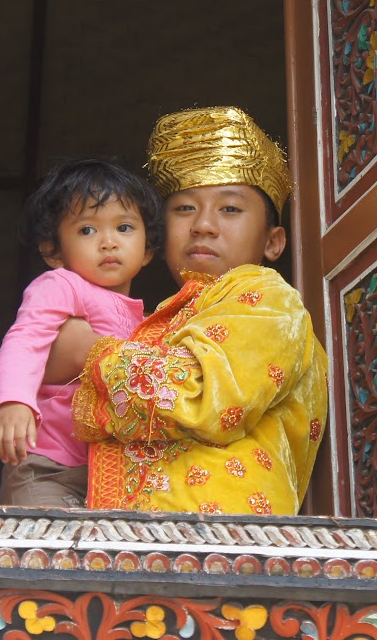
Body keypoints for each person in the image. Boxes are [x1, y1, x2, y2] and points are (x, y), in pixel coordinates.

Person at [63, 106, 330, 514]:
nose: (203, 224)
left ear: (274, 242)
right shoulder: (163, 317)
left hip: (222, 549)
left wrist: (88, 351)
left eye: (230, 209)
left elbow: (201, 398)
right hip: (150, 549)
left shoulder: (269, 298)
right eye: (185, 208)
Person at [0, 159, 162, 507]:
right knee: (46, 552)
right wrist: (12, 401)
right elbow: (26, 338)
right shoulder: (61, 284)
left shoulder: (148, 320)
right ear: (53, 252)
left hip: (109, 476)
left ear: (148, 250)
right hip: (47, 467)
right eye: (87, 231)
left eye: (124, 228)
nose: (109, 242)